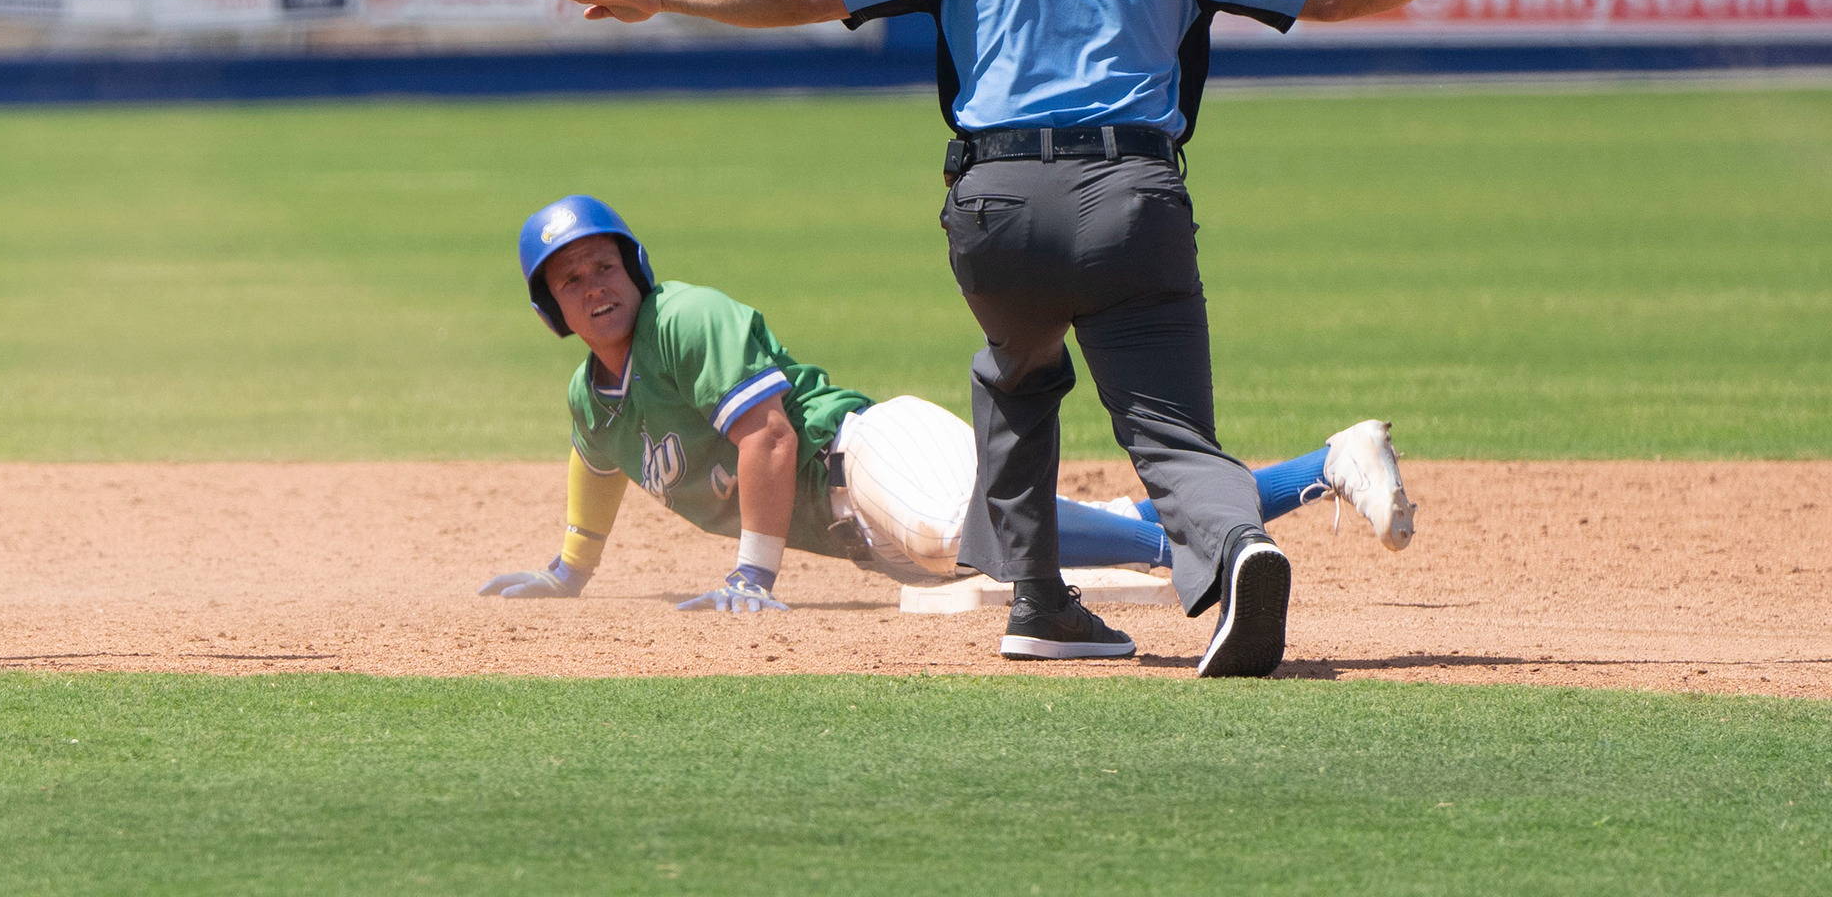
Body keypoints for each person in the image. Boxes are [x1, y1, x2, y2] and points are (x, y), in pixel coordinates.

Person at [540, 0, 1562, 674]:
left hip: (996, 211)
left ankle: (1038, 604)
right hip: (1133, 195)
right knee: (1164, 425)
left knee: (1015, 380)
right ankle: (1239, 544)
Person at [479, 196, 1413, 643]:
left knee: (964, 527)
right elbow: (596, 459)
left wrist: (749, 578)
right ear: (551, 310)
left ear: (633, 270)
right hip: (869, 535)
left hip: (873, 452)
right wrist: (568, 570)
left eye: (605, 266)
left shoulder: (684, 317)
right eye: (571, 279)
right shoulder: (588, 394)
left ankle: (1218, 541)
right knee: (1094, 537)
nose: (594, 286)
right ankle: (1328, 461)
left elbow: (766, 435)